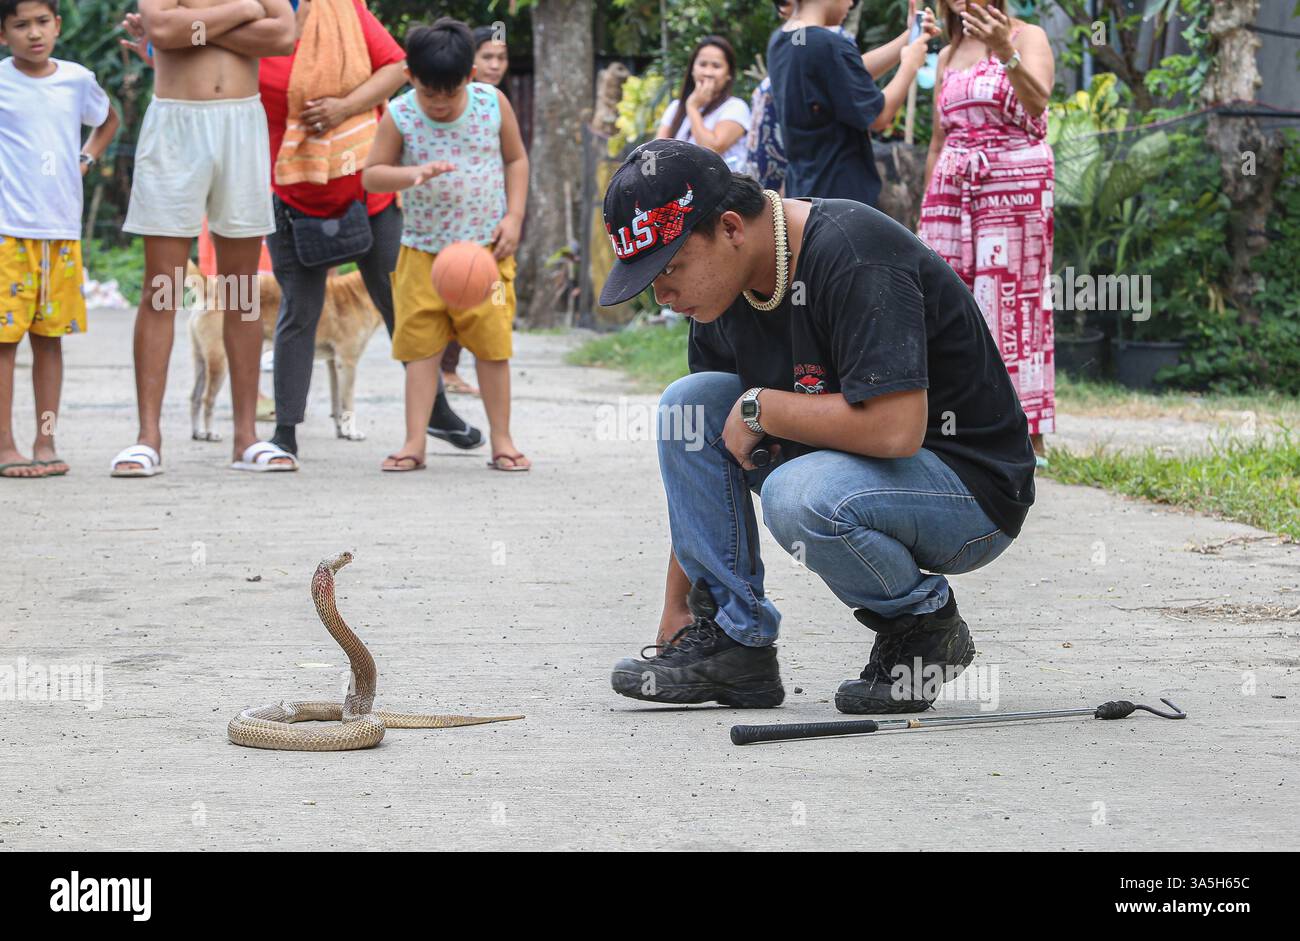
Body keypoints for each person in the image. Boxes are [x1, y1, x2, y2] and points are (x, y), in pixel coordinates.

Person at [599, 140, 1035, 713]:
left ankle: (922, 628)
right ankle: (733, 645)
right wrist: (678, 607)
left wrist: (762, 407)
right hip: (862, 472)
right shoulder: (721, 292)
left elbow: (896, 429)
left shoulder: (853, 252)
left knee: (796, 495)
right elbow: (710, 459)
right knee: (691, 404)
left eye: (671, 267)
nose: (663, 292)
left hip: (967, 491)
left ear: (730, 227)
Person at [112, 0, 297, 476]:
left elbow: (281, 36)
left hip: (241, 123)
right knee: (163, 289)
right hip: (176, 122)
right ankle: (147, 439)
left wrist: (192, 30)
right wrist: (244, 10)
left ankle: (245, 438)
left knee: (241, 292)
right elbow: (161, 28)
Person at [362, 18, 529, 473]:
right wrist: (410, 175)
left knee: (493, 349)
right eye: (428, 92)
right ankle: (414, 443)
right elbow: (372, 173)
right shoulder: (400, 113)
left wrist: (514, 217)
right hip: (421, 252)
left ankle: (503, 441)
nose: (437, 103)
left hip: (487, 255)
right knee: (420, 351)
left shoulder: (492, 104)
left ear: (469, 77)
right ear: (410, 77)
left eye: (448, 93)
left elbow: (516, 159)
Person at [918, 0, 1055, 463]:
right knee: (944, 301)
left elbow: (1038, 105)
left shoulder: (1026, 35)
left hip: (1014, 184)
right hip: (952, 186)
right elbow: (938, 140)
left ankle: (1026, 430)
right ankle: (957, 424)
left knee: (1012, 304)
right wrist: (927, 210)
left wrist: (1003, 51)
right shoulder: (947, 53)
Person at [0, 0, 119, 479]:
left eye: (42, 22)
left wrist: (86, 158)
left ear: (58, 25)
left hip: (60, 236)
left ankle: (45, 441)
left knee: (50, 341)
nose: (34, 33)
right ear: (3, 33)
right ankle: (5, 444)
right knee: (4, 345)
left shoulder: (76, 79)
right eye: (20, 25)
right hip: (7, 233)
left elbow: (107, 118)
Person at [766, 0, 937, 206]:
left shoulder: (790, 39)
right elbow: (879, 116)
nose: (851, 3)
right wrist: (910, 65)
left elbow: (847, 73)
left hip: (805, 190)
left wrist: (908, 38)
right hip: (841, 195)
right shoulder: (827, 45)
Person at [438, 22, 512, 399]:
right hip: (450, 221)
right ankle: (444, 370)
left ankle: (458, 368)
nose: (496, 64)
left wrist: (512, 216)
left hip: (494, 217)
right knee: (456, 290)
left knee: (489, 297)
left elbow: (515, 161)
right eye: (488, 57)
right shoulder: (445, 104)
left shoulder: (500, 103)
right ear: (470, 61)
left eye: (502, 57)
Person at [655, 36, 751, 172]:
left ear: (728, 74)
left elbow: (712, 149)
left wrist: (693, 108)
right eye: (702, 64)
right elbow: (656, 153)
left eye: (716, 66)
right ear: (693, 70)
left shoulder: (736, 107)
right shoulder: (675, 108)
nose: (708, 73)